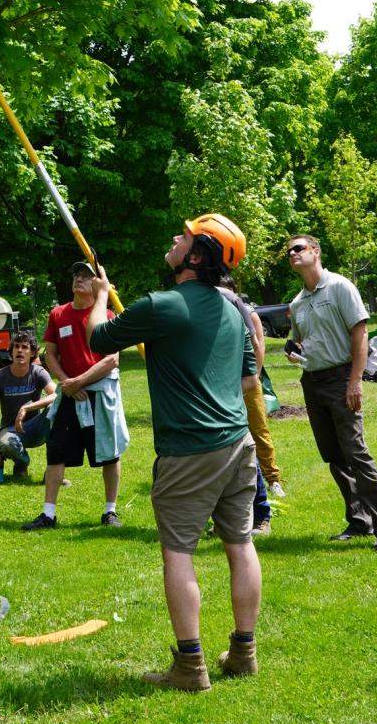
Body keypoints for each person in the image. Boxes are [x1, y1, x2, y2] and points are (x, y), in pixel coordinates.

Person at [87, 214, 261, 691]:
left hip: (189, 452)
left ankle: (190, 667)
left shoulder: (162, 305)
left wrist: (101, 297)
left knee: (178, 552)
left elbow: (97, 338)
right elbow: (250, 379)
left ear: (198, 255)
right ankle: (243, 654)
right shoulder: (233, 311)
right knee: (240, 544)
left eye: (183, 237)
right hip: (238, 444)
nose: (174, 239)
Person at [286, 235, 377, 551]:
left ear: (315, 252)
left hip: (340, 378)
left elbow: (360, 334)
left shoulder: (340, 287)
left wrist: (355, 380)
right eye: (289, 251)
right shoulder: (297, 302)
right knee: (334, 456)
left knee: (356, 453)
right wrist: (296, 353)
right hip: (313, 381)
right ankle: (359, 521)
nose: (292, 254)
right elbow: (303, 341)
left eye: (298, 248)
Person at [22, 261, 127, 532]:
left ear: (98, 284)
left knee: (109, 454)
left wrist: (80, 381)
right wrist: (66, 382)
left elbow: (112, 359)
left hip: (98, 393)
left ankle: (110, 511)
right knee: (55, 451)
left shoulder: (108, 315)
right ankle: (48, 514)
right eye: (76, 275)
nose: (79, 279)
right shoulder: (58, 314)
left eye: (86, 276)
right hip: (69, 393)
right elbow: (50, 354)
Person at [218, 276, 285, 533]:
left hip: (247, 382)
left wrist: (253, 377)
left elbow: (257, 347)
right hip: (223, 384)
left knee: (257, 432)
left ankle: (273, 479)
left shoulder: (245, 312)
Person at [0, 331, 56, 476]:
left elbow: (56, 395)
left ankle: (53, 471)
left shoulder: (38, 372)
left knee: (57, 408)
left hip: (36, 428)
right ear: (11, 351)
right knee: (6, 443)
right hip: (11, 430)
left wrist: (26, 407)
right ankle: (21, 464)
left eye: (25, 347)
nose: (20, 350)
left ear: (32, 353)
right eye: (16, 347)